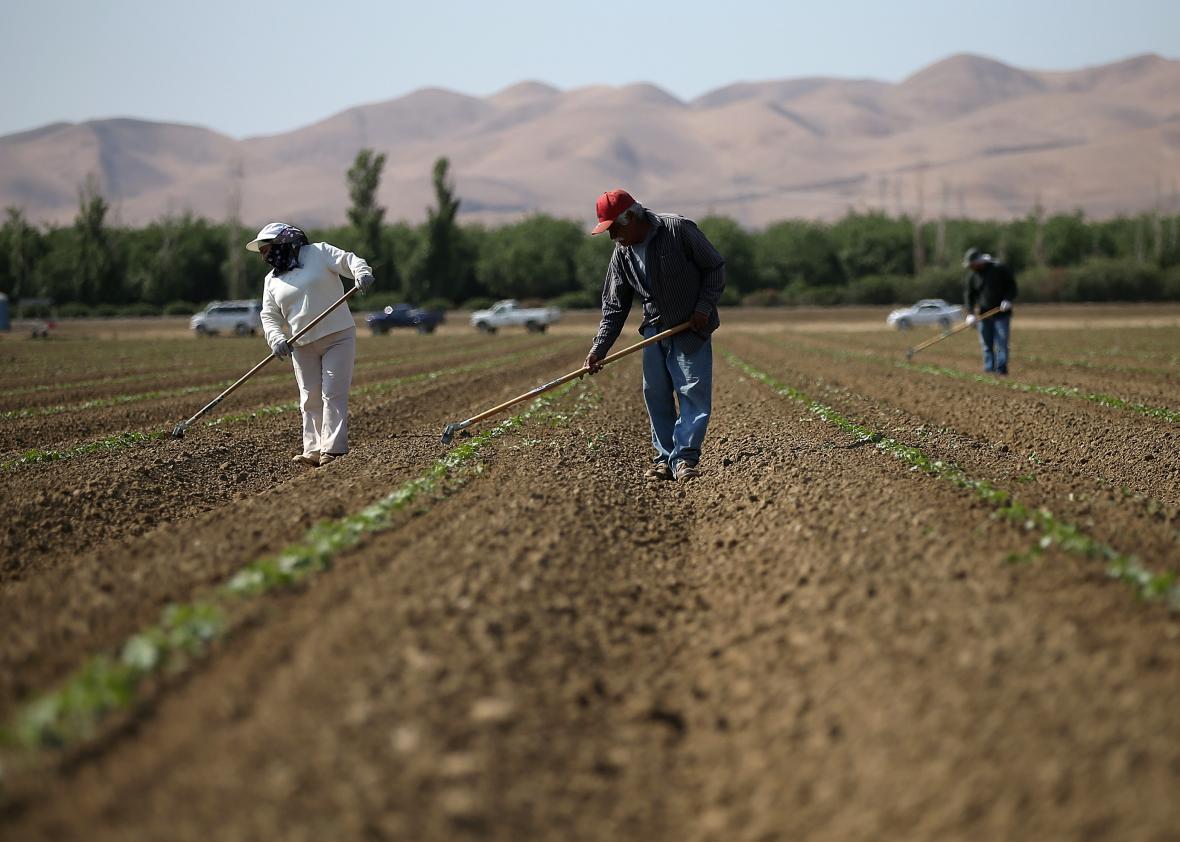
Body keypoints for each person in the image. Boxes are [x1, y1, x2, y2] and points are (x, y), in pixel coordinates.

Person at [584, 189, 726, 482]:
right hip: (654, 330)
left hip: (691, 328)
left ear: (632, 216)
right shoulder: (621, 253)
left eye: (615, 229)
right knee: (656, 395)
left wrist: (703, 307)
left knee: (692, 393)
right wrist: (599, 348)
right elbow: (614, 306)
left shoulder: (677, 230)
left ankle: (684, 459)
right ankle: (664, 459)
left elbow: (714, 267)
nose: (614, 238)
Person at [248, 222, 375, 467]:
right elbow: (269, 315)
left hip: (337, 335)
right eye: (262, 252)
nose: (265, 256)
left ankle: (334, 449)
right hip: (302, 343)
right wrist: (276, 339)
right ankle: (313, 449)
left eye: (267, 249)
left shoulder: (319, 252)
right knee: (309, 398)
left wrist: (361, 273)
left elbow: (349, 260)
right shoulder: (271, 281)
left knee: (333, 393)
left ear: (284, 242)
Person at [963, 247, 1017, 375]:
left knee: (1001, 343)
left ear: (978, 261)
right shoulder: (973, 276)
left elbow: (1012, 286)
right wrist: (970, 313)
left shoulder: (999, 268)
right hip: (983, 315)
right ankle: (989, 369)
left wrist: (1008, 300)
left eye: (972, 264)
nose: (971, 267)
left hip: (1001, 314)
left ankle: (1001, 370)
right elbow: (969, 295)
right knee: (986, 345)